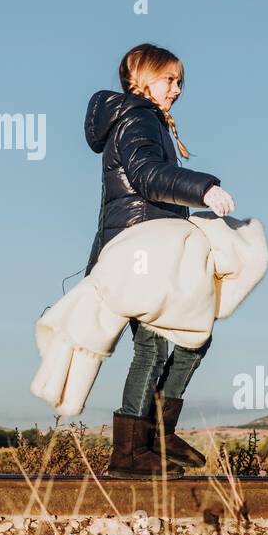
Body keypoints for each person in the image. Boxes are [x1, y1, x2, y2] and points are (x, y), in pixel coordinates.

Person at [83, 43, 235, 479]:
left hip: (145, 247)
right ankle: (131, 453)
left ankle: (154, 438)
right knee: (155, 345)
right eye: (170, 79)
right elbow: (148, 176)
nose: (178, 89)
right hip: (138, 251)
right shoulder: (138, 117)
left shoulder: (143, 118)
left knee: (190, 335)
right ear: (142, 78)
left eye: (181, 81)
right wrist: (202, 189)